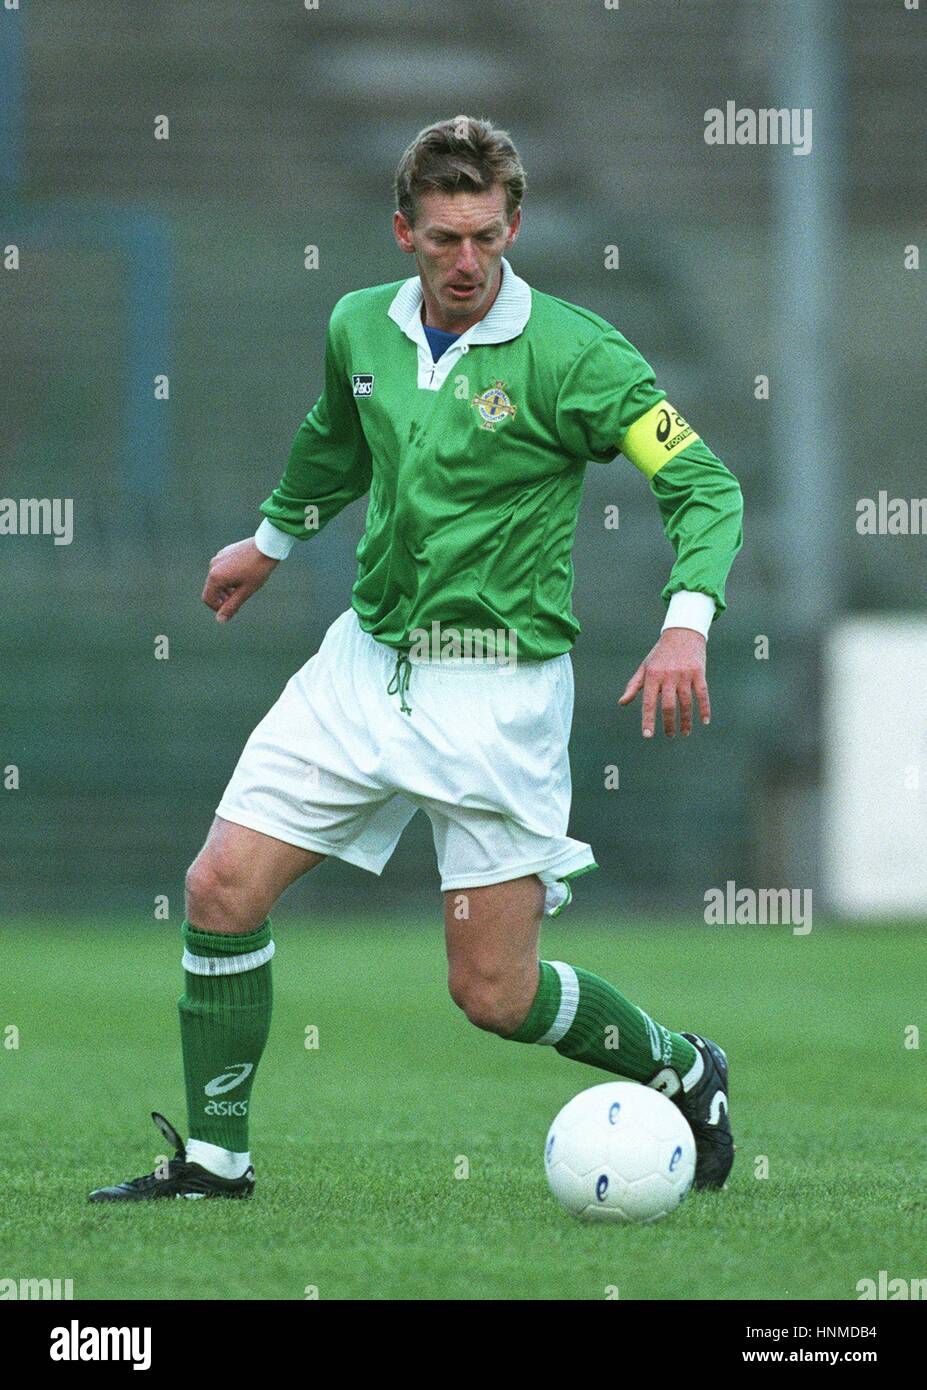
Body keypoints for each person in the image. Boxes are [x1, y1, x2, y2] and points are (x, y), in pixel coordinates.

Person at [90, 116, 743, 1203]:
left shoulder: (578, 354)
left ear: (514, 225)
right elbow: (336, 438)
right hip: (366, 665)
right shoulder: (357, 327)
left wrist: (686, 622)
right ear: (403, 231)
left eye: (487, 236)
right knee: (219, 887)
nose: (467, 262)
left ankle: (684, 1066)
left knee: (494, 993)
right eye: (444, 238)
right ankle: (214, 1162)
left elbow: (703, 486)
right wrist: (272, 541)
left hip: (497, 696)